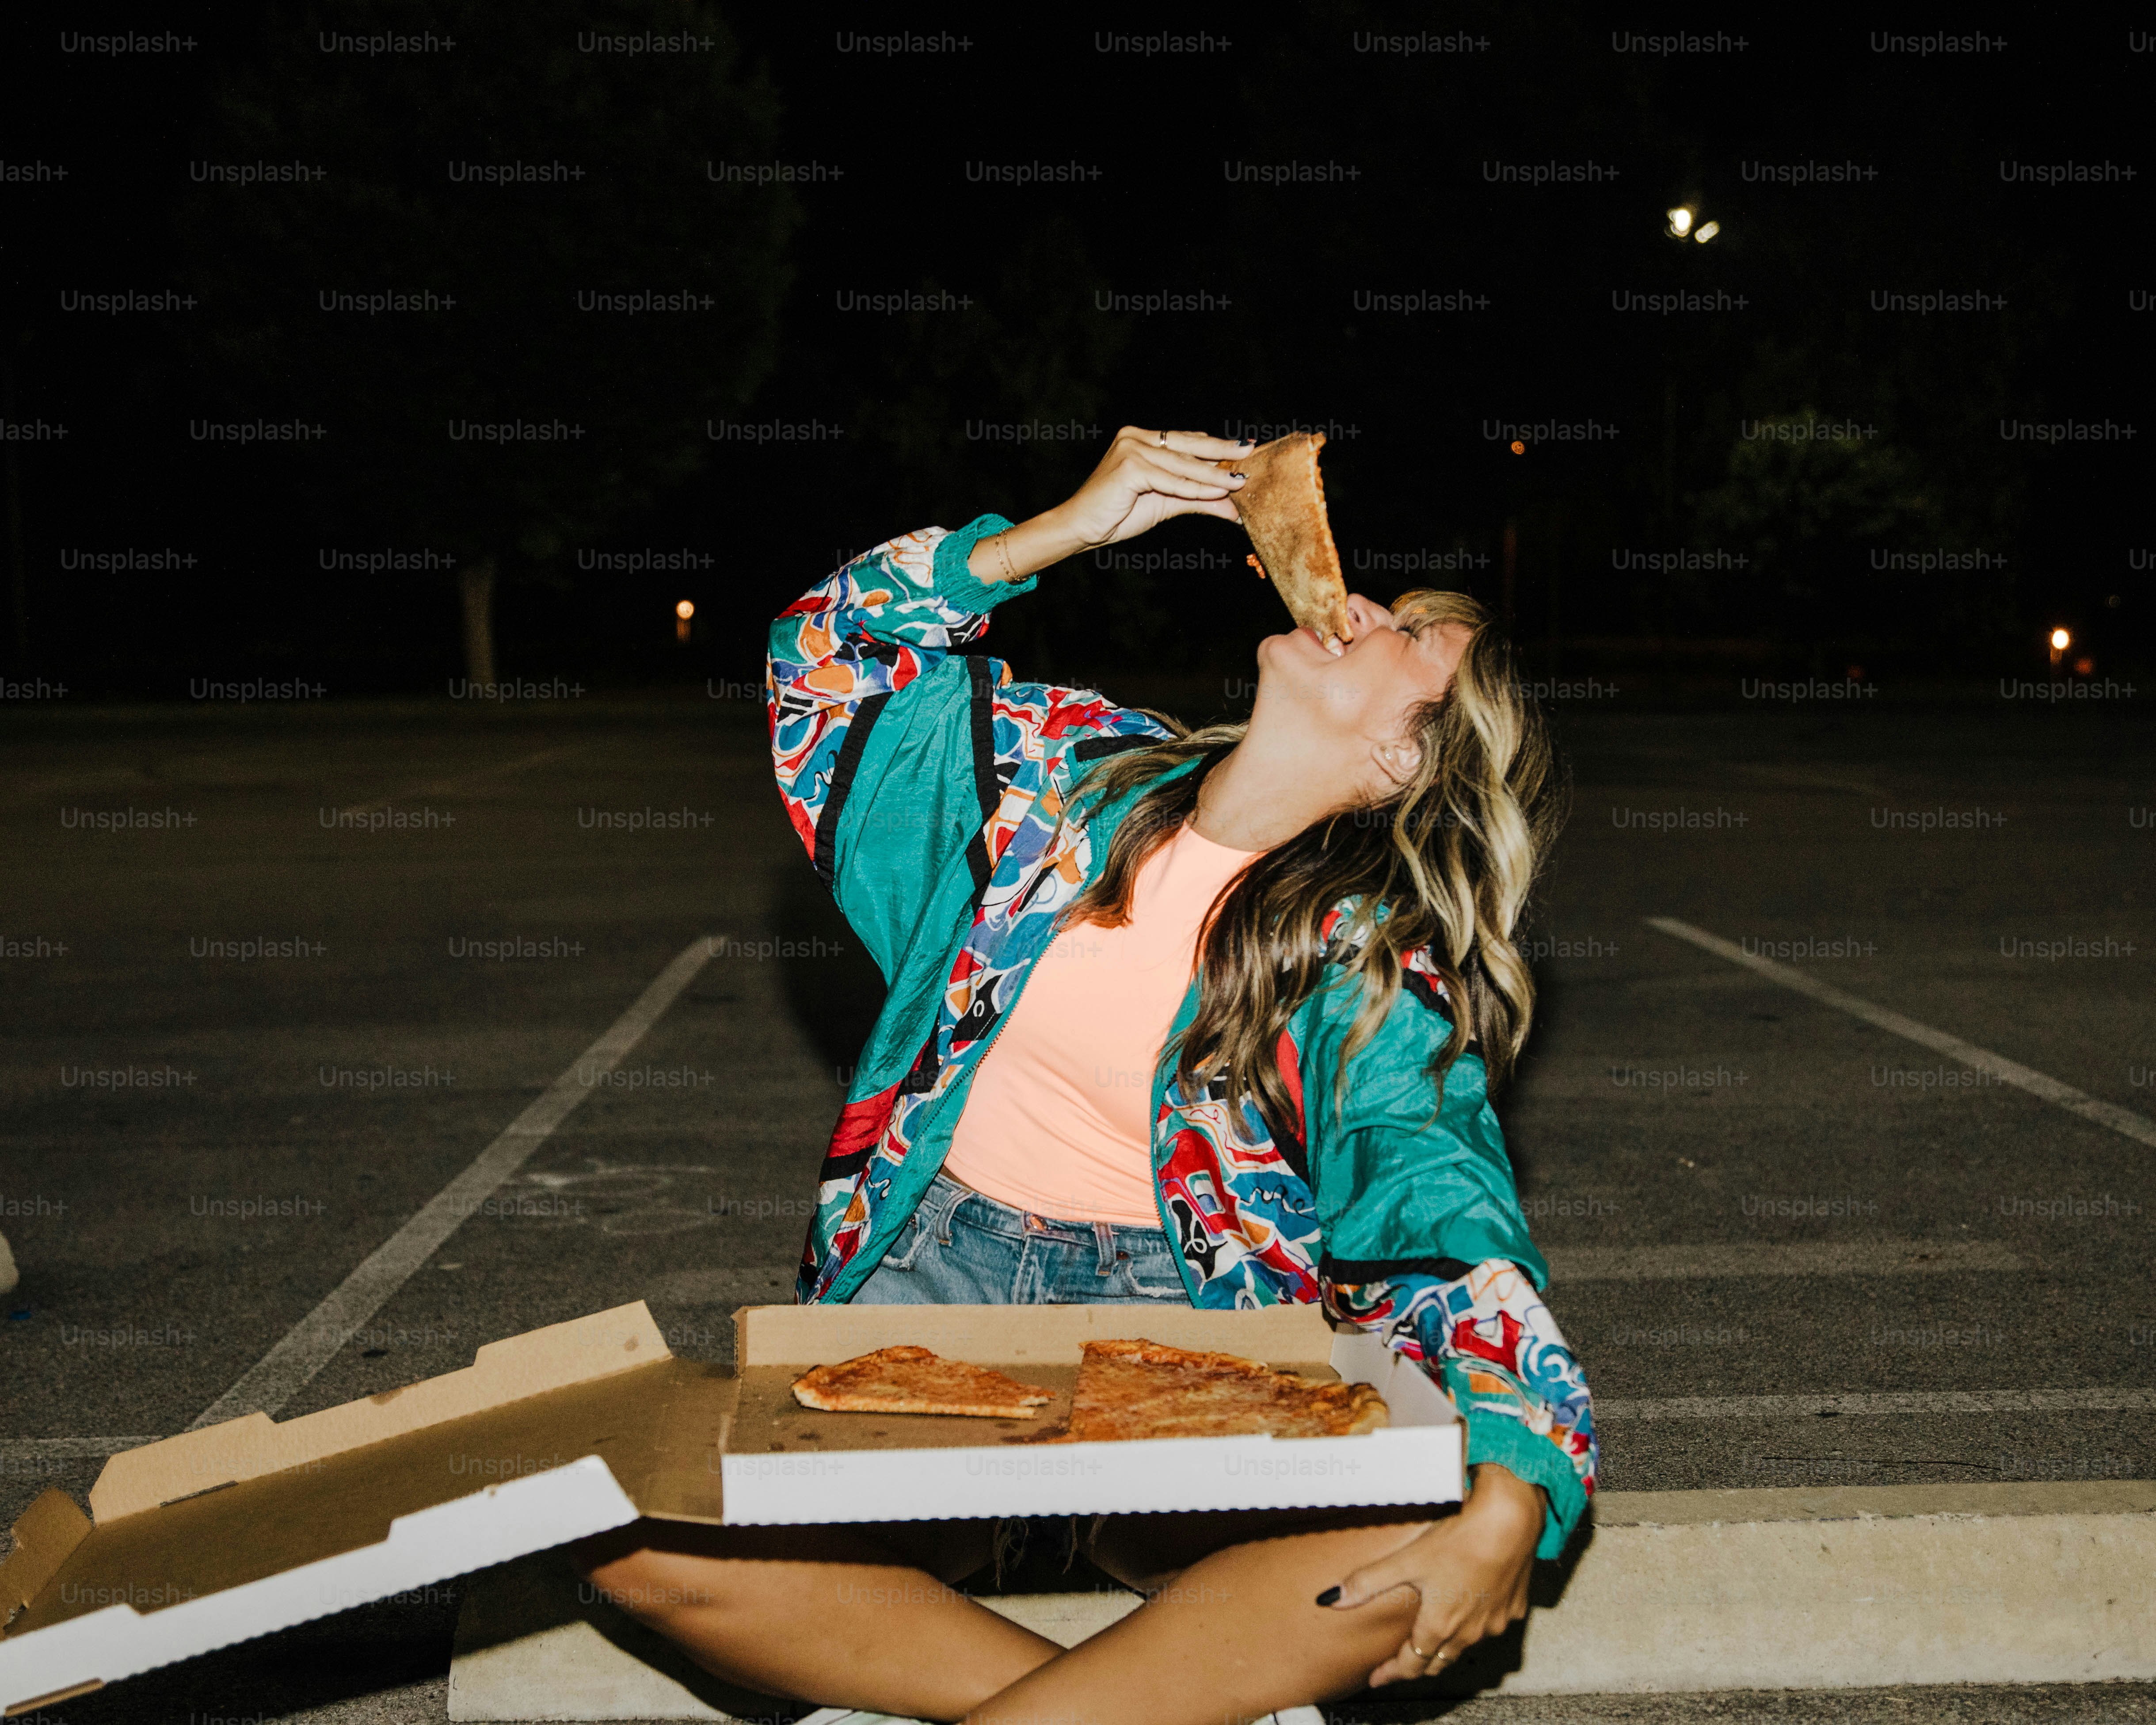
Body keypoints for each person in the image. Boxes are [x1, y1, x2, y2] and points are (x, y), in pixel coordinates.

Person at [577, 426, 1596, 1725]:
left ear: (1407, 759)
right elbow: (826, 665)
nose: (1360, 605)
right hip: (926, 1299)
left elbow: (1435, 1195)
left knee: (1397, 1570)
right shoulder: (1059, 775)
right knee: (639, 1546)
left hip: (1185, 1339)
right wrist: (1056, 530)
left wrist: (1516, 1481)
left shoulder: (1363, 958)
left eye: (1405, 635)